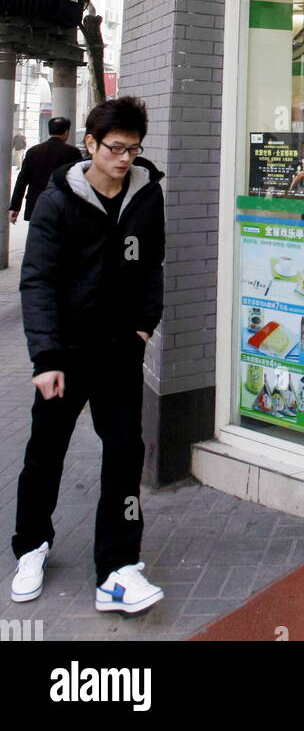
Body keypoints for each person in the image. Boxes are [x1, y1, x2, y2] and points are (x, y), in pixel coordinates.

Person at [10, 95, 165, 614]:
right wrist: (46, 357)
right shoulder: (58, 202)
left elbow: (153, 265)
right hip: (66, 354)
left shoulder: (147, 195)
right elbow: (37, 282)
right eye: (116, 149)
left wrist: (144, 326)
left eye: (133, 149)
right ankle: (31, 546)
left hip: (120, 351)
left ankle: (117, 567)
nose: (125, 159)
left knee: (125, 452)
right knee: (45, 452)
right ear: (91, 145)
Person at [8, 116, 83, 224]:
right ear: (66, 132)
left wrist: (15, 207)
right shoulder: (73, 152)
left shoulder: (33, 151)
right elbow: (80, 182)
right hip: (63, 205)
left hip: (36, 204)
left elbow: (22, 180)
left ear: (49, 131)